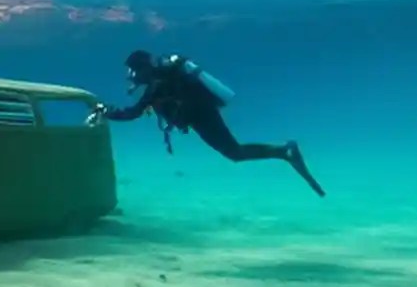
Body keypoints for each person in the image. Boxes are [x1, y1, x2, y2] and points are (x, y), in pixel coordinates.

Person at [90, 50, 326, 197]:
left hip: (202, 117)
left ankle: (285, 150)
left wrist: (106, 111)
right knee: (235, 153)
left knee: (235, 152)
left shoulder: (158, 85)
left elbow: (133, 113)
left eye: (132, 70)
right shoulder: (162, 80)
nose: (131, 75)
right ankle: (283, 151)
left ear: (142, 68)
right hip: (201, 116)